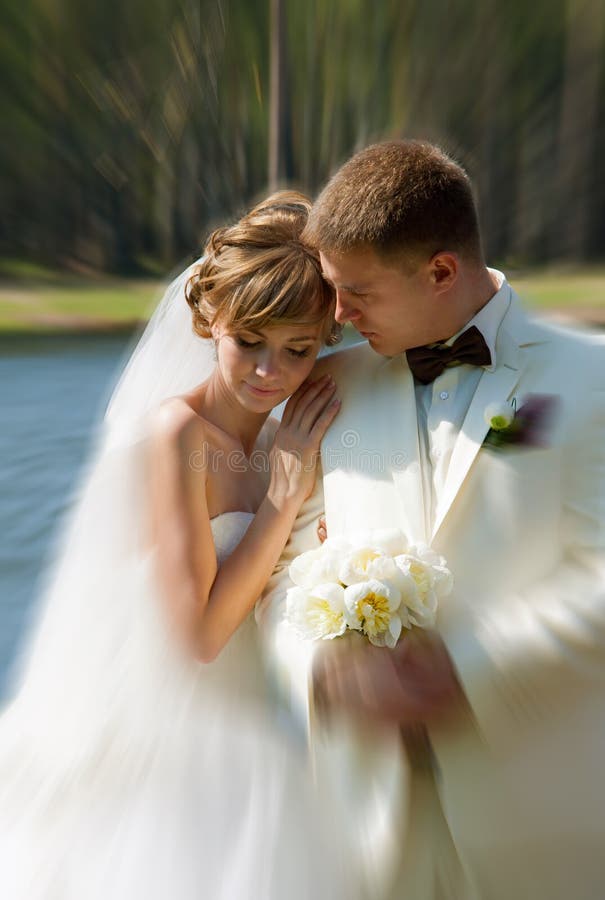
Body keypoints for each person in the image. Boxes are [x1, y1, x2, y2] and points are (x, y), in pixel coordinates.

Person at [258, 142, 605, 899]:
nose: (337, 317)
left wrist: (462, 671)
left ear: (441, 271)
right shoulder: (327, 389)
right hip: (366, 827)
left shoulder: (589, 379)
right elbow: (281, 572)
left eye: (357, 293)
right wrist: (322, 676)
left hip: (545, 819)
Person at [0, 191, 355, 899]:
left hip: (273, 713)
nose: (268, 371)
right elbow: (197, 635)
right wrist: (283, 497)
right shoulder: (177, 435)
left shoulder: (294, 428)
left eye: (296, 350)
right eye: (248, 341)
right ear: (209, 320)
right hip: (183, 735)